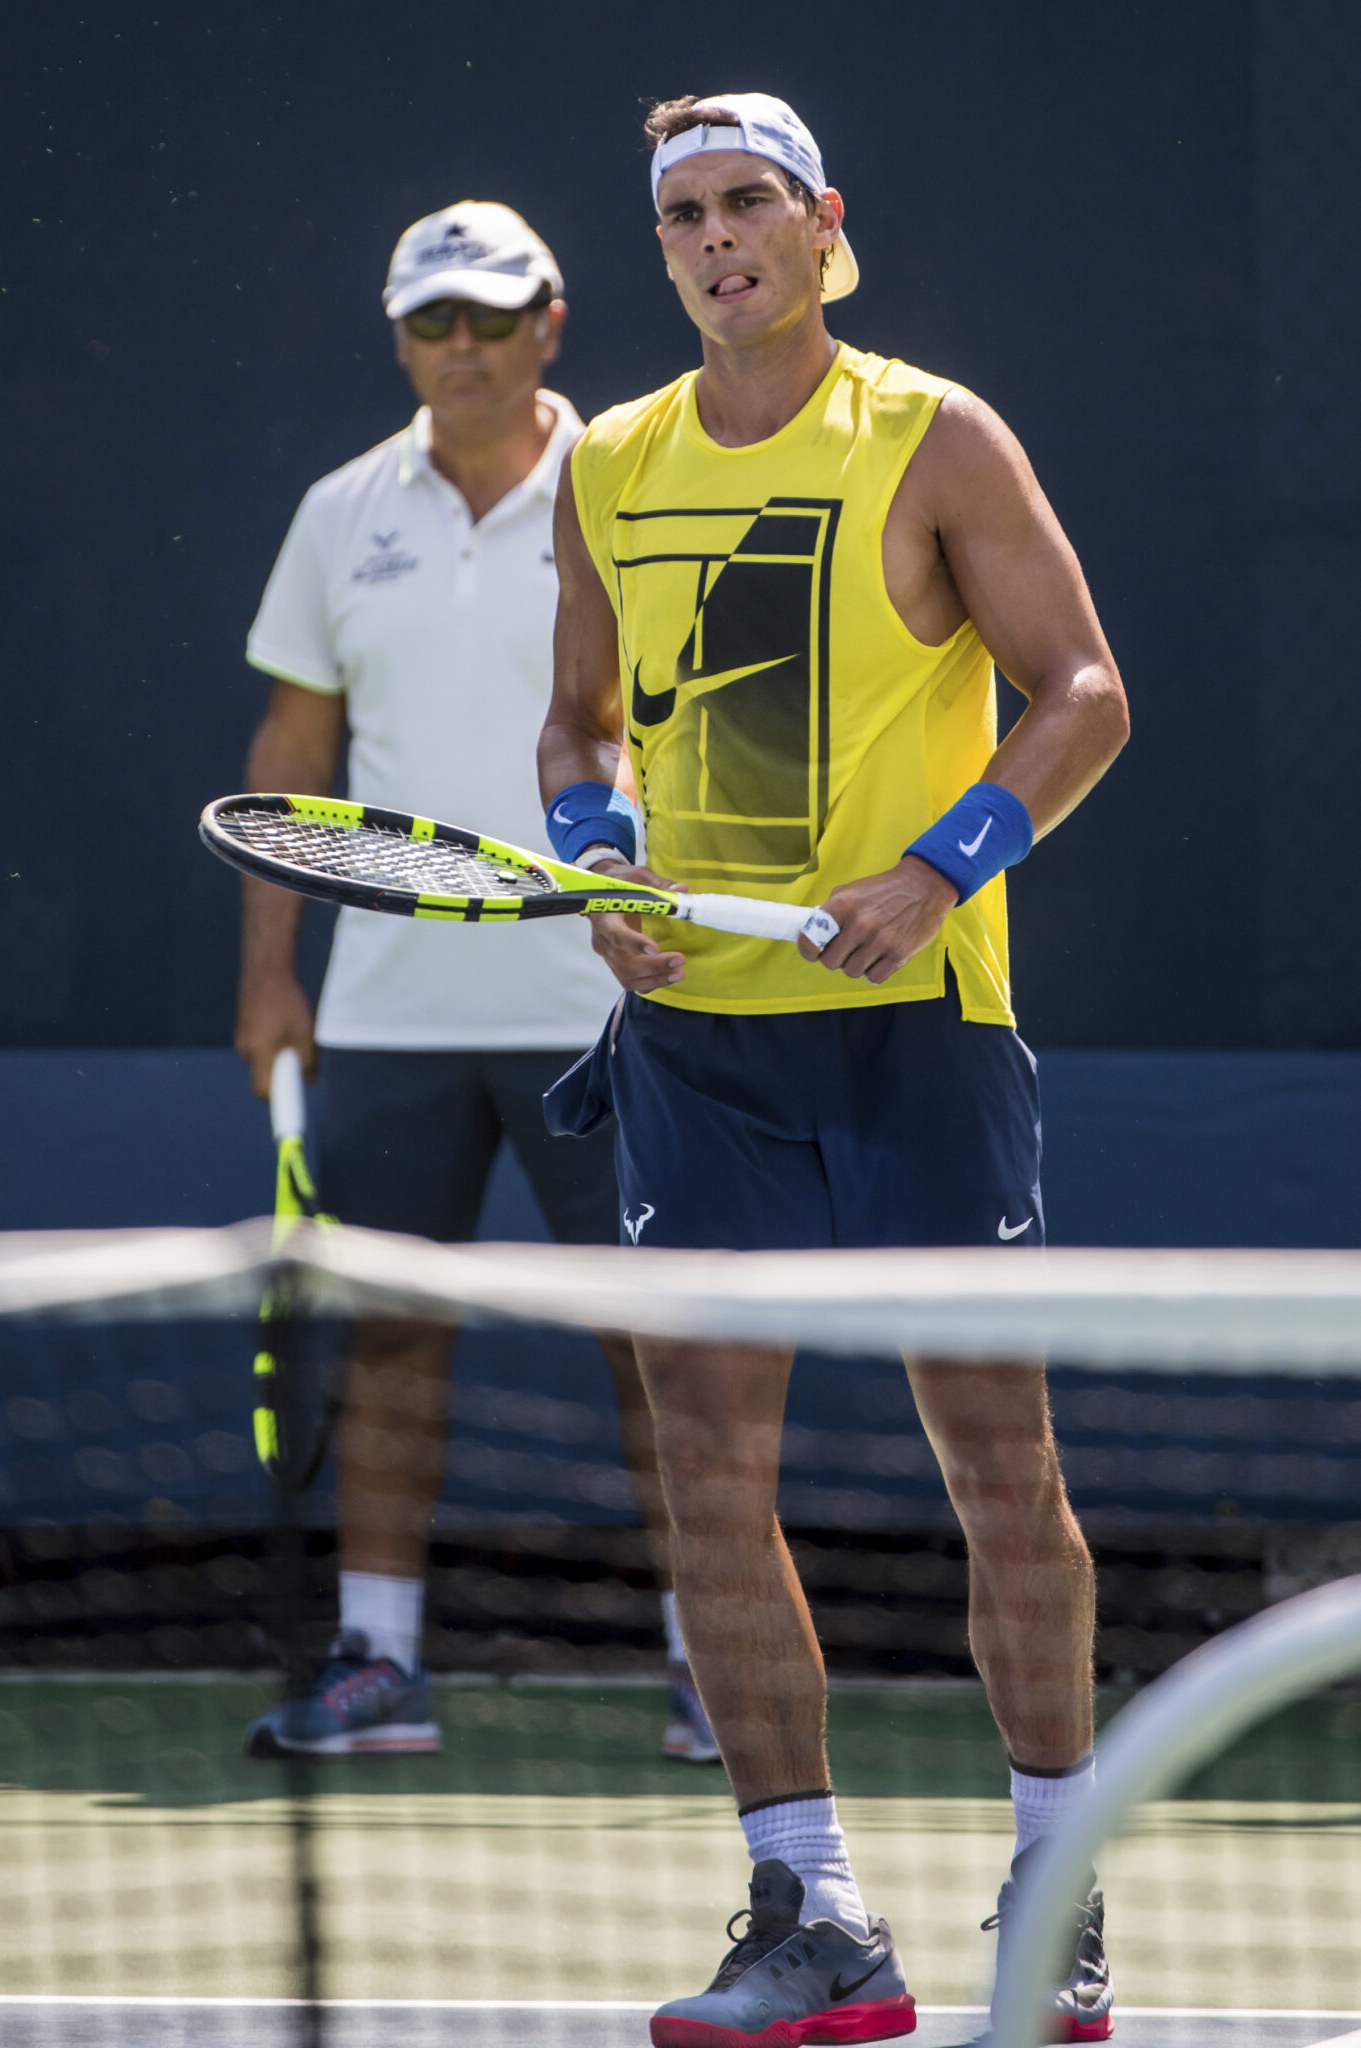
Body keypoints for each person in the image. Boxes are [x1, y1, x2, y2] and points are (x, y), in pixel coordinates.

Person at [539, 94, 1129, 2046]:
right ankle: (812, 1916)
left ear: (819, 228)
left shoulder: (931, 433)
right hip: (694, 1050)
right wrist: (604, 874)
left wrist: (933, 867)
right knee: (709, 1484)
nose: (713, 242)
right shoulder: (604, 464)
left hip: (915, 1036)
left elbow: (1082, 693)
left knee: (997, 1471)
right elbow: (579, 729)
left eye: (745, 207)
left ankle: (1055, 1878)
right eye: (681, 218)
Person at [236, 199, 715, 1765]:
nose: (462, 347)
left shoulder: (634, 484)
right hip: (386, 1010)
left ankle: (706, 1661)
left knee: (658, 1347)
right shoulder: (336, 513)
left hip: (601, 1005)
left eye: (490, 319)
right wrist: (272, 980)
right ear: (399, 336)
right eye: (433, 321)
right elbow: (293, 765)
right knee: (388, 1338)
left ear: (549, 326)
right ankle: (379, 1665)